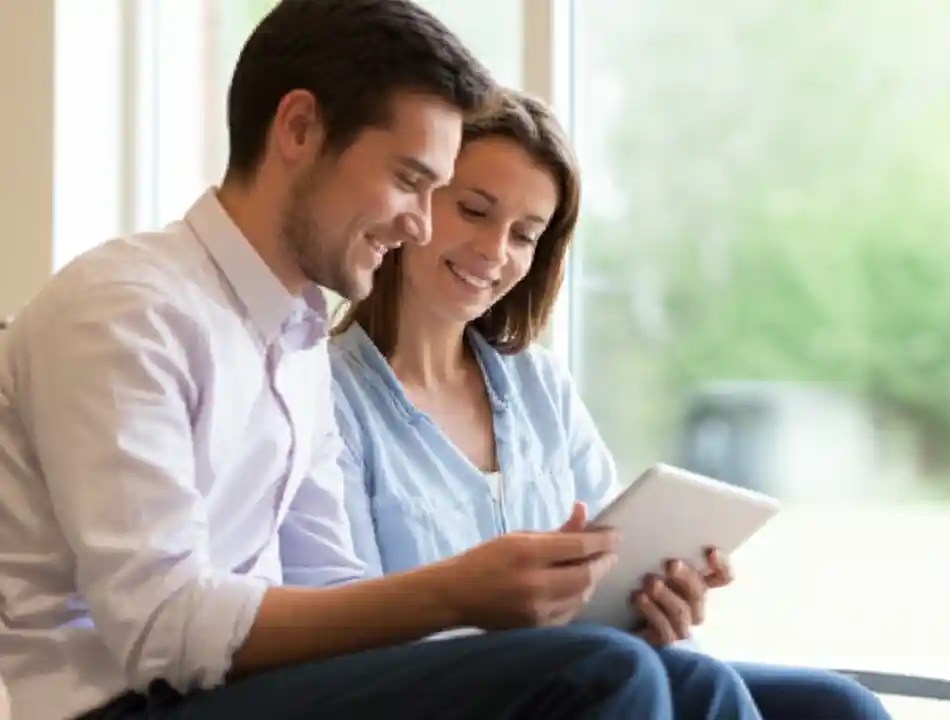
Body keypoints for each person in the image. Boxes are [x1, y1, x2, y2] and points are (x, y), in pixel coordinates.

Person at [0, 2, 761, 719]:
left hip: (255, 687)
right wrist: (458, 594)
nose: (419, 224)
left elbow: (334, 588)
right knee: (603, 674)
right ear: (298, 128)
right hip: (138, 705)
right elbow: (163, 628)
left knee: (733, 688)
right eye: (410, 181)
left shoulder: (291, 337)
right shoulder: (125, 310)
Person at [329, 87, 894, 720]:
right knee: (703, 690)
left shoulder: (539, 386)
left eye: (524, 235)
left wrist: (653, 607)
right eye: (474, 210)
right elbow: (348, 626)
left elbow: (610, 555)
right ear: (418, 200)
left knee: (838, 707)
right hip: (463, 696)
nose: (494, 251)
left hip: (595, 669)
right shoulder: (329, 396)